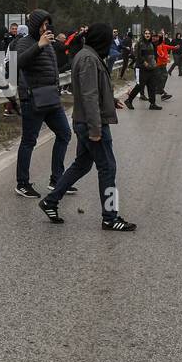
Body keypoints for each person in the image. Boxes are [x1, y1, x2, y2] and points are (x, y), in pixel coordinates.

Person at [38, 23, 135, 231]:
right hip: (92, 123)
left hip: (85, 121)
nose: (110, 43)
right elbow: (89, 96)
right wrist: (96, 130)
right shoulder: (89, 59)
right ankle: (110, 217)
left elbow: (94, 91)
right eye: (108, 39)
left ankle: (51, 201)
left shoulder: (87, 54)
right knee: (108, 167)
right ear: (102, 40)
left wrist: (112, 100)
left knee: (82, 165)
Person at [12, 9, 72, 198]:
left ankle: (57, 179)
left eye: (48, 24)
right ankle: (22, 183)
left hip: (51, 97)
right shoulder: (25, 42)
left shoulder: (48, 44)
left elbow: (52, 69)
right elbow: (18, 63)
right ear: (35, 25)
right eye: (43, 24)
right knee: (29, 141)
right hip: (33, 98)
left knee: (64, 134)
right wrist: (39, 45)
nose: (46, 28)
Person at [124, 29, 160, 110]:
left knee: (152, 86)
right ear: (143, 35)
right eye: (146, 33)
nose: (147, 35)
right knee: (140, 86)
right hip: (143, 68)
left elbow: (154, 54)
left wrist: (155, 63)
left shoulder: (152, 44)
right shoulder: (140, 44)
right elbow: (138, 55)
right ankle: (129, 100)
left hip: (152, 68)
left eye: (149, 33)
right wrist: (144, 62)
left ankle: (152, 104)